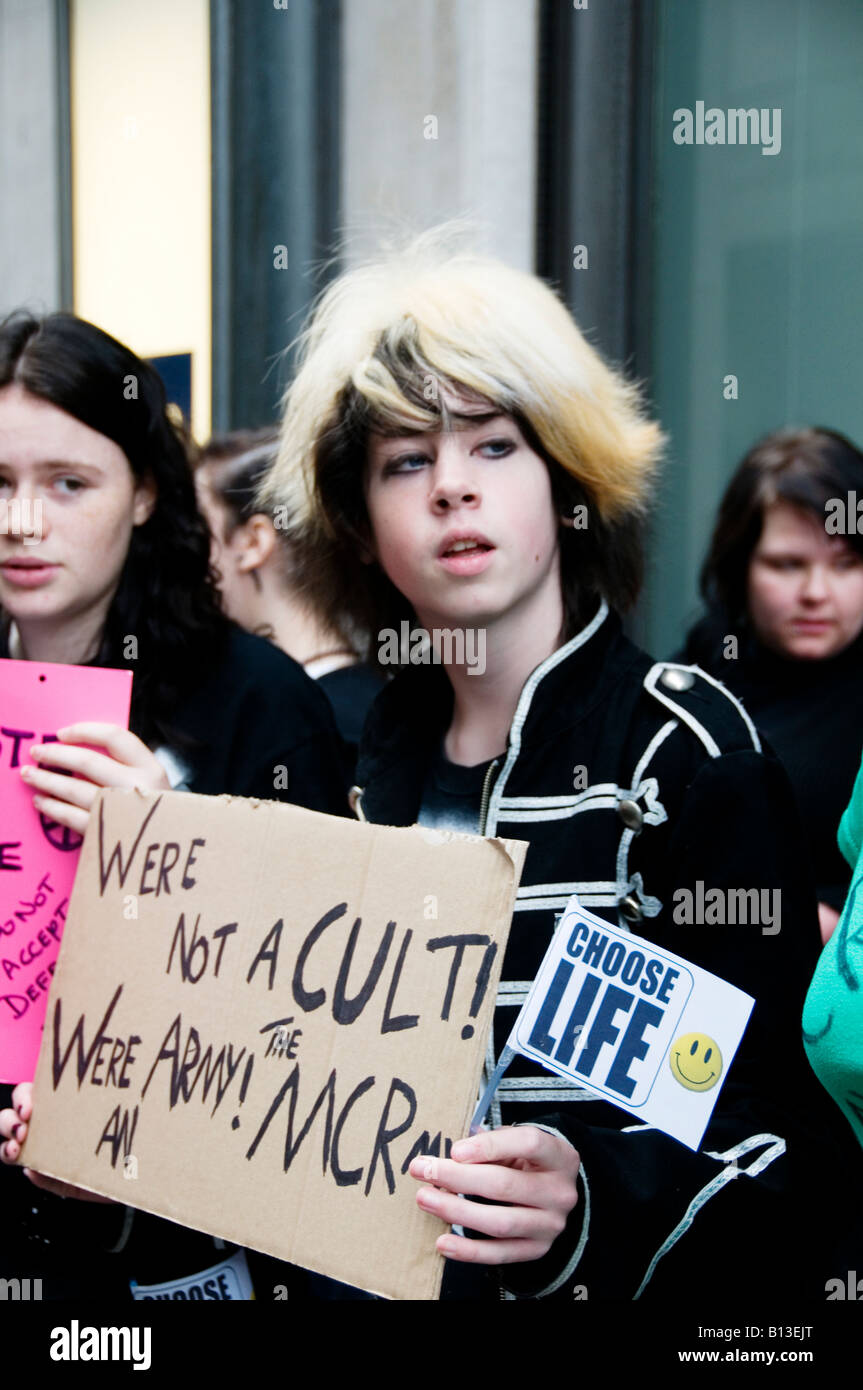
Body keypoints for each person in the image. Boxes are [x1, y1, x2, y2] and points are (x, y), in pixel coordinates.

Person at [259, 230, 857, 1300]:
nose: (450, 487)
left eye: (493, 446)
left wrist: (588, 1192)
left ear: (566, 477)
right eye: (404, 459)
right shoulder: (346, 766)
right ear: (357, 527)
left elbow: (780, 1138)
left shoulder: (683, 752)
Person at [0, 310, 348, 1301]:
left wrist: (178, 852)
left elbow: (319, 1034)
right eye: (0, 484)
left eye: (69, 484)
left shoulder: (259, 702)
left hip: (185, 1266)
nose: (24, 523)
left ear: (146, 492)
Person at [678, 428, 863, 944]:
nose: (816, 593)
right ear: (740, 568)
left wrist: (831, 925)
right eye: (788, 564)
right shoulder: (689, 684)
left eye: (847, 564)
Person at [195, 428, 383, 760]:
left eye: (197, 530)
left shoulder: (336, 725)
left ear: (254, 543)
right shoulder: (365, 707)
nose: (182, 549)